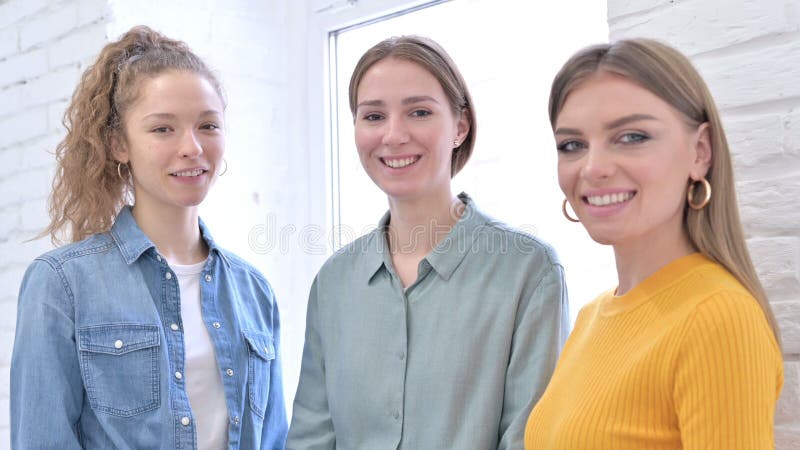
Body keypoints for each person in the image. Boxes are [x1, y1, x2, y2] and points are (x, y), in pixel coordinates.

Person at [10, 25, 287, 449]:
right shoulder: (62, 284)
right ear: (119, 144)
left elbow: (273, 440)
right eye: (163, 129)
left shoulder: (254, 291)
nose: (192, 147)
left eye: (208, 126)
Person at [287, 35, 569, 450]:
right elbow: (311, 439)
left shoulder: (528, 271)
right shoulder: (334, 282)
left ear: (460, 126)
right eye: (373, 116)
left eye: (419, 112)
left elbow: (529, 439)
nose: (393, 135)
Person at [524, 38, 783, 449]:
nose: (593, 168)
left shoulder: (717, 316)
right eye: (572, 145)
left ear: (700, 152)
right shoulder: (594, 315)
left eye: (631, 137)